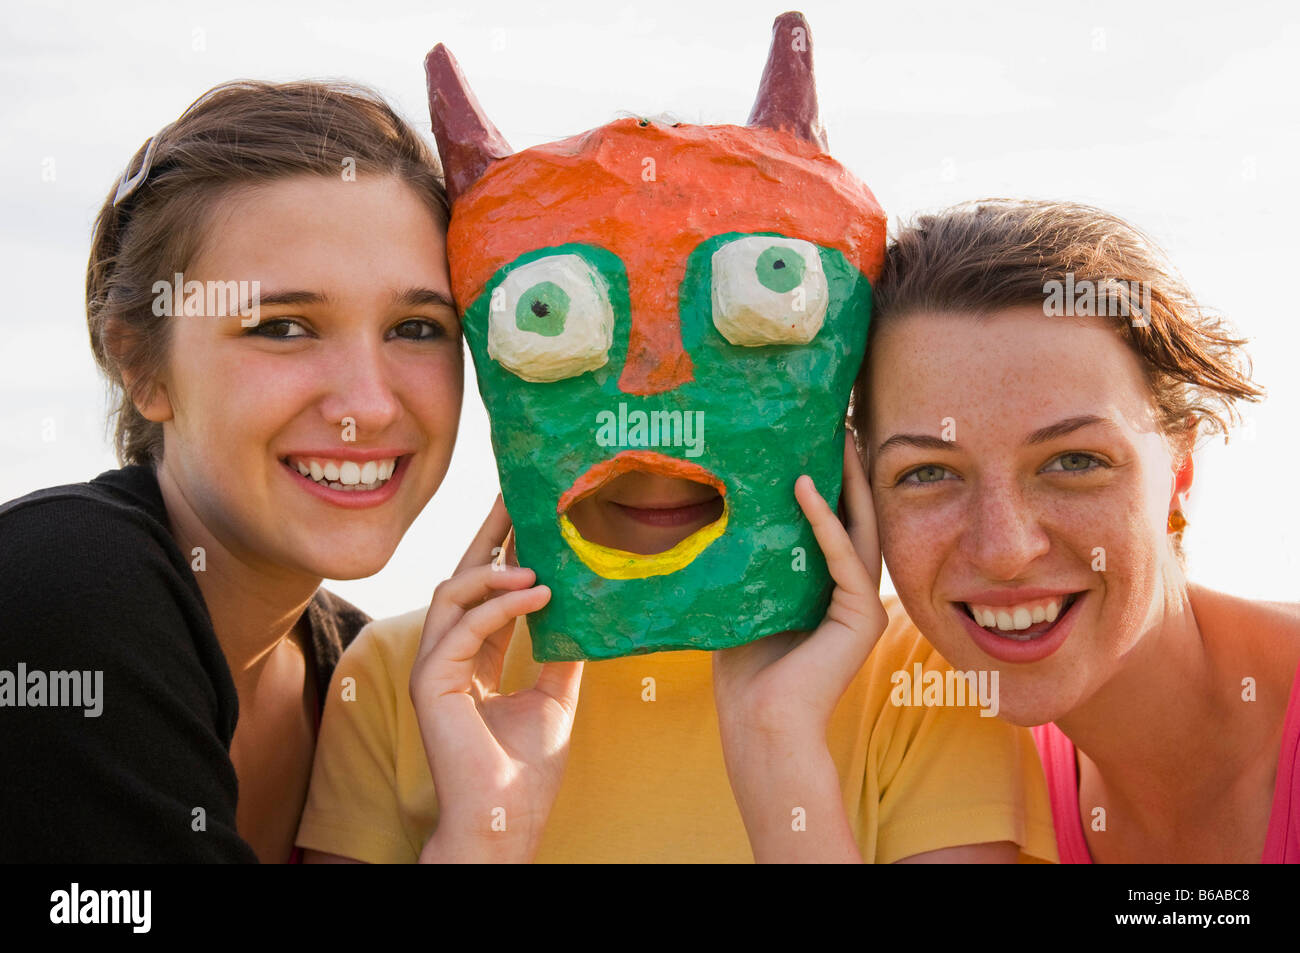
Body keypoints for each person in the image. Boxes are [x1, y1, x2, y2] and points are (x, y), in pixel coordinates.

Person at [0, 80, 461, 862]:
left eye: (416, 327)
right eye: (281, 327)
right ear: (142, 366)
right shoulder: (63, 587)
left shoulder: (363, 677)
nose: (370, 404)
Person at [298, 445, 1058, 864]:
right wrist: (480, 838)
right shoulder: (406, 675)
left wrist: (780, 748)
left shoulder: (926, 675)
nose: (666, 454)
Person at [851, 198, 1300, 863]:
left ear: (1180, 469)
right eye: (927, 473)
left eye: (1075, 461)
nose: (1003, 550)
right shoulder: (938, 763)